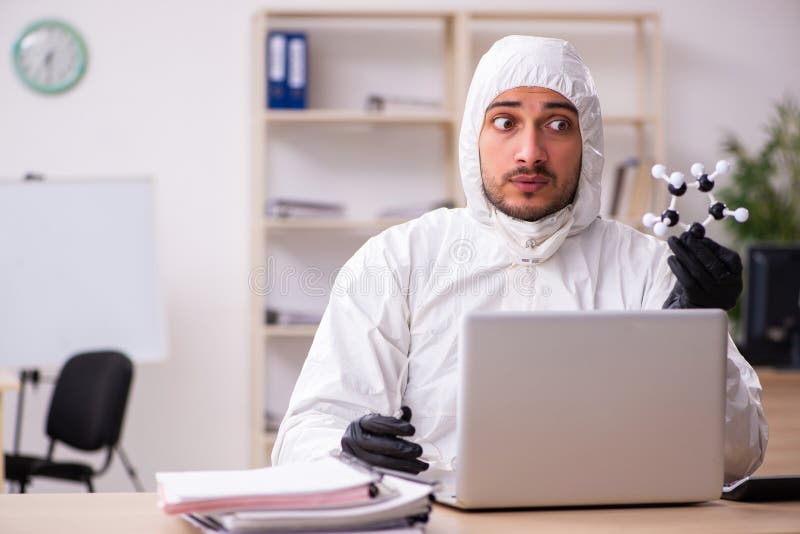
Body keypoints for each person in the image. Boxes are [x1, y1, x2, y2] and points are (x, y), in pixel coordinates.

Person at [271, 35, 767, 486]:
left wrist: (698, 332)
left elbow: (738, 458)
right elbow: (305, 434)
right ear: (474, 138)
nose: (530, 153)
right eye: (505, 122)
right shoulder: (397, 260)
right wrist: (345, 451)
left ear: (588, 143)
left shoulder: (650, 270)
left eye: (557, 125)